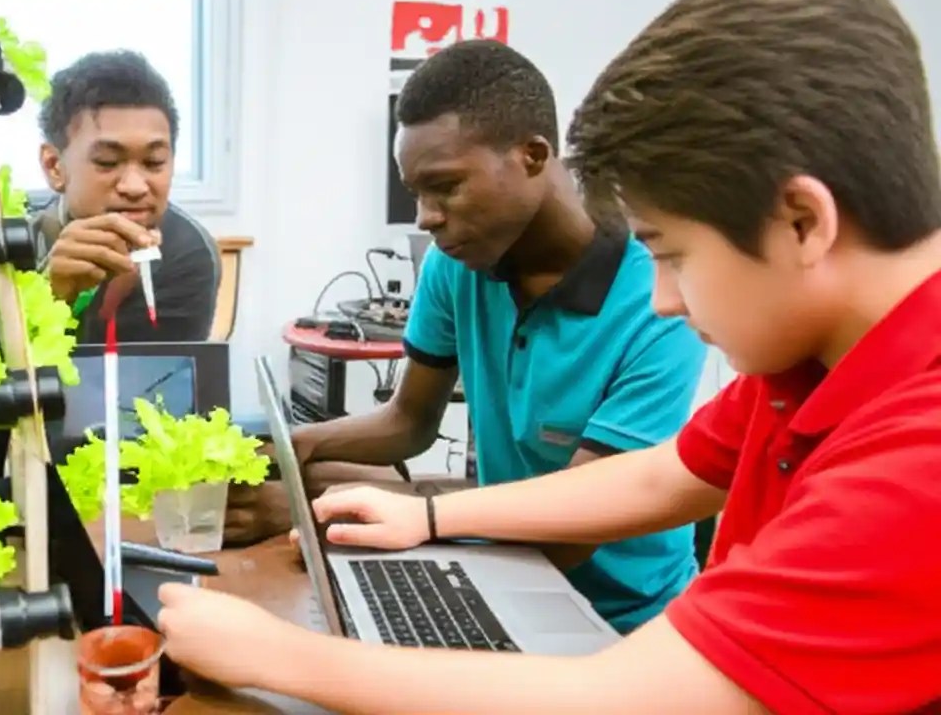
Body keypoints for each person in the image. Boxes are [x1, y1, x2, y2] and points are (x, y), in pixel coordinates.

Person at [155, 0, 941, 711]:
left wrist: (278, 655)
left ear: (803, 221)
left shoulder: (914, 465)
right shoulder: (806, 370)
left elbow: (615, 699)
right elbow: (659, 476)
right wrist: (426, 516)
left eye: (672, 254)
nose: (664, 298)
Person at [227, 40, 707, 634]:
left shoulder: (656, 296)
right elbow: (409, 421)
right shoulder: (457, 264)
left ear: (533, 156)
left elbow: (578, 526)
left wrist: (331, 519)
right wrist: (297, 451)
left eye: (445, 186)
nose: (425, 216)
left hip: (621, 618)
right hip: (499, 567)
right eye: (415, 194)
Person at [34, 49, 220, 343]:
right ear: (54, 166)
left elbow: (149, 379)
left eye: (154, 162)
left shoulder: (187, 253)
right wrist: (50, 294)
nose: (135, 186)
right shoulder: (12, 240)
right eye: (107, 162)